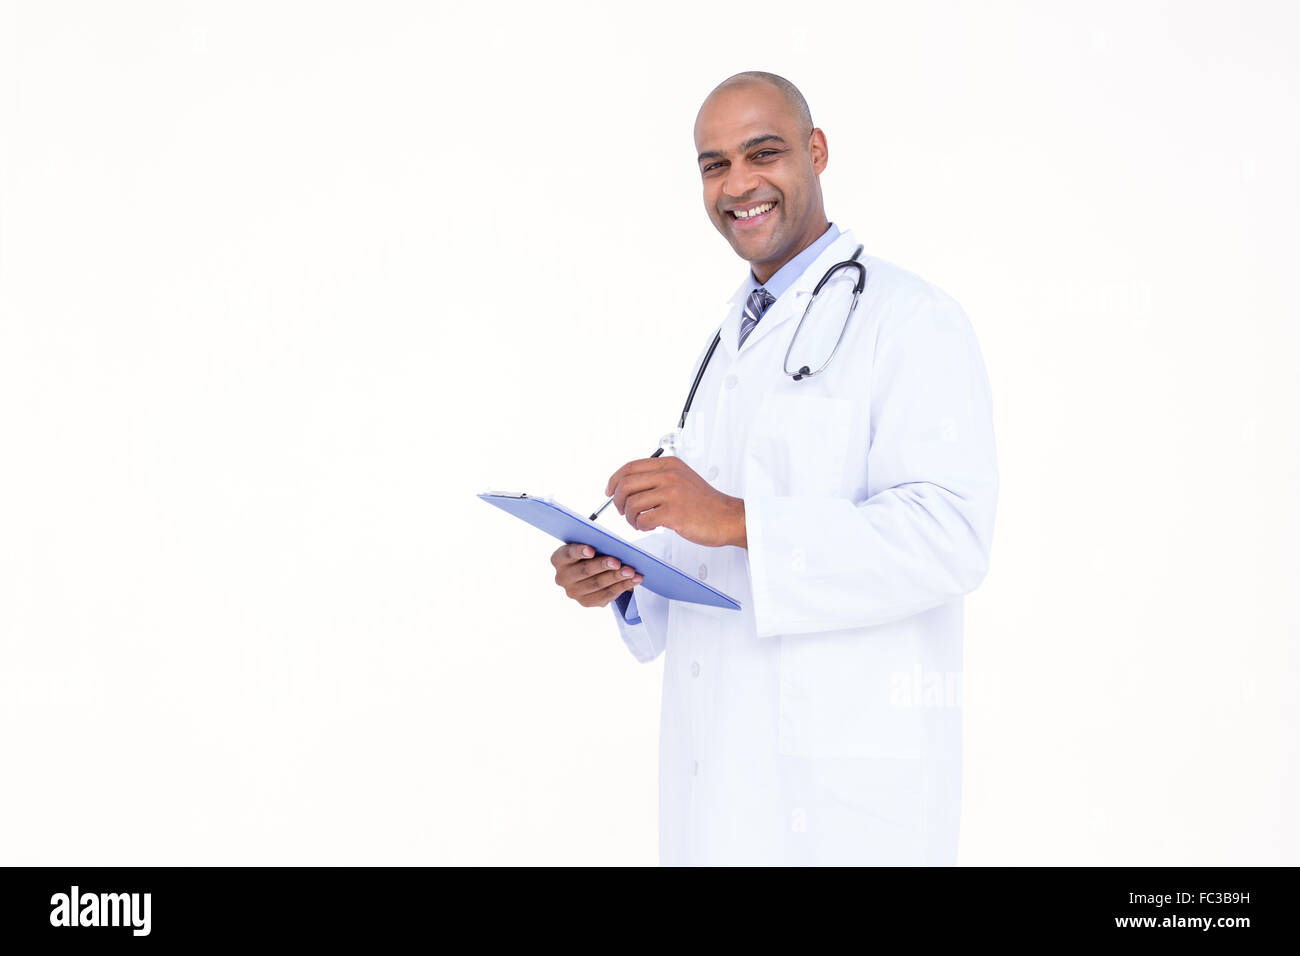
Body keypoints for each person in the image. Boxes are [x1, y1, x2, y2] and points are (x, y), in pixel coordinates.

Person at [549, 71, 998, 866]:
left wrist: (732, 516)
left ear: (816, 152)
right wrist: (627, 576)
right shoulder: (731, 339)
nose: (739, 184)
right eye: (714, 164)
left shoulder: (910, 319)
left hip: (844, 806)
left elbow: (951, 538)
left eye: (764, 152)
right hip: (717, 789)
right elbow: (716, 556)